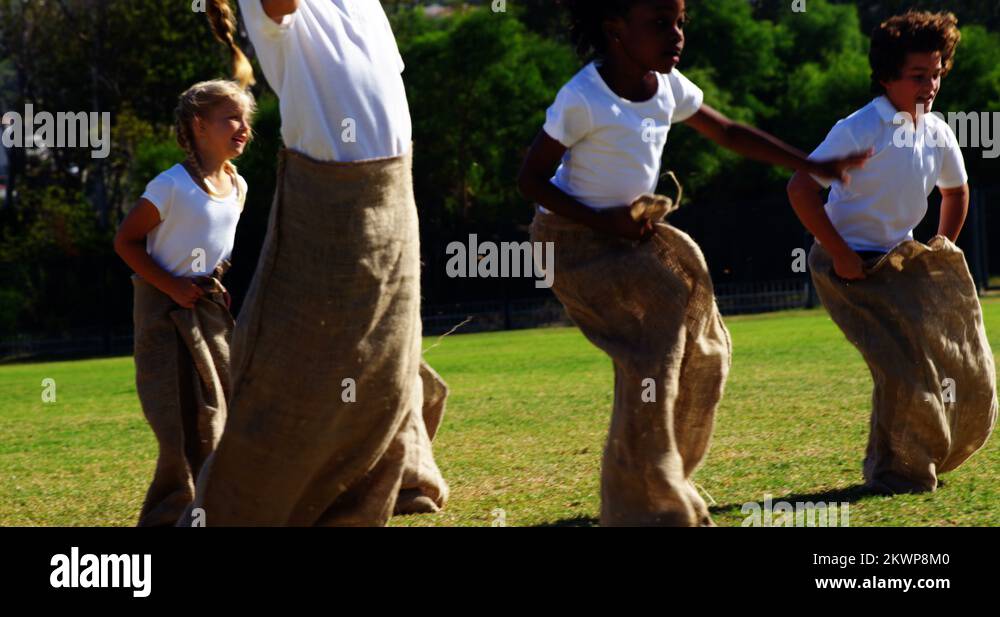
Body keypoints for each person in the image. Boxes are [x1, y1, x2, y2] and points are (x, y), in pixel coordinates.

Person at [518, 0, 869, 526]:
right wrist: (603, 221)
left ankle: (662, 475)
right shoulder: (583, 97)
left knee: (703, 348)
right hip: (573, 242)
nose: (676, 35)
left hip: (630, 234)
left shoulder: (669, 87)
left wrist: (810, 163)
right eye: (660, 24)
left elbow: (728, 132)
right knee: (652, 354)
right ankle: (644, 497)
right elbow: (531, 179)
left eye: (680, 22)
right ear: (615, 27)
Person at [176, 0, 448, 526]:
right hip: (332, 196)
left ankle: (403, 474)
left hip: (392, 186)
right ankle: (237, 506)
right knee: (302, 359)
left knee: (391, 352)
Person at [787, 11, 996, 494]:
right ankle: (898, 472)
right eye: (918, 76)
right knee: (900, 366)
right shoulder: (862, 126)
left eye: (937, 74)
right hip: (844, 266)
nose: (930, 85)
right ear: (886, 77)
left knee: (926, 365)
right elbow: (800, 186)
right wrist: (838, 252)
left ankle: (894, 464)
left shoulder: (939, 132)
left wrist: (943, 245)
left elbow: (956, 192)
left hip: (900, 264)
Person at [114, 79, 254, 526]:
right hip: (162, 313)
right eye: (231, 117)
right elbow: (126, 241)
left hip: (208, 312)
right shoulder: (169, 185)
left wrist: (212, 284)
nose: (243, 127)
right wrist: (172, 286)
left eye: (246, 118)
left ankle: (215, 508)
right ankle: (167, 515)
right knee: (175, 422)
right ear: (199, 125)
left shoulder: (239, 185)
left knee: (219, 412)